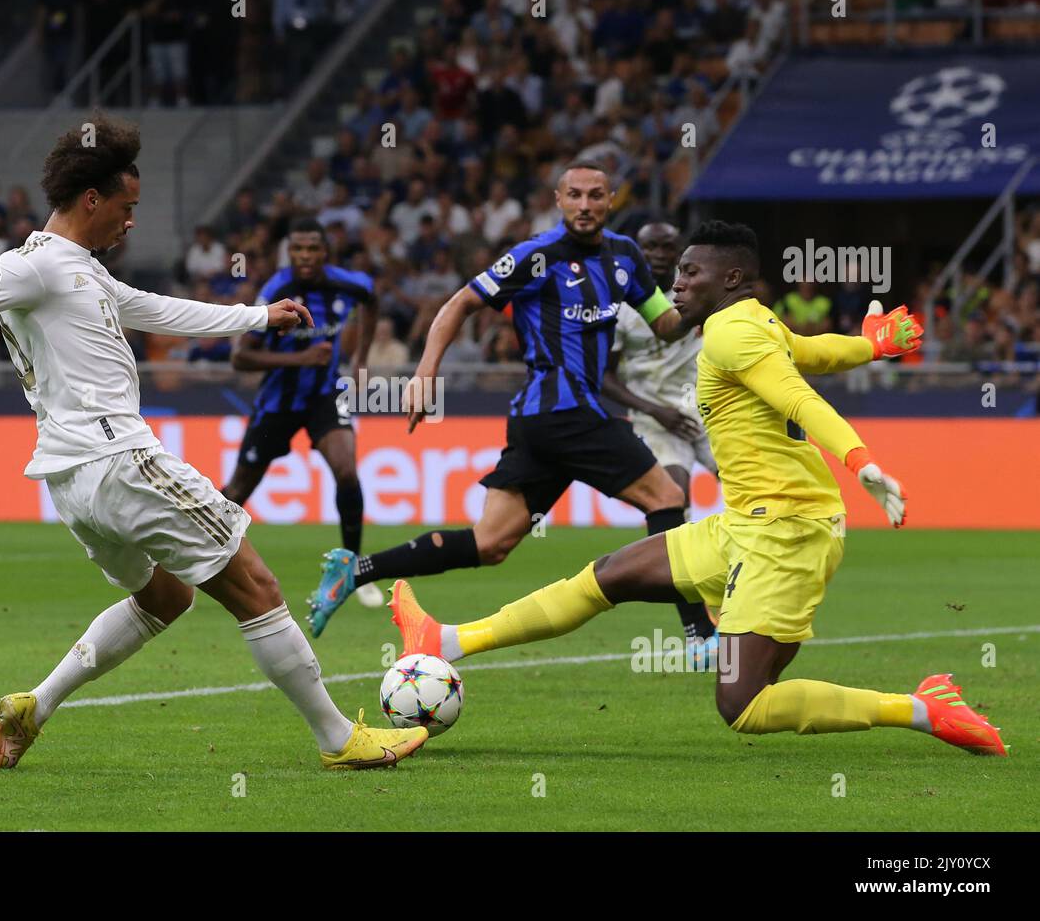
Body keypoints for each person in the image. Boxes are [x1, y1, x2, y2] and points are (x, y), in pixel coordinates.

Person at [0, 116, 427, 773]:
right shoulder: (34, 267)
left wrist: (258, 316)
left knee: (167, 597)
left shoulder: (81, 272)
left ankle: (37, 704)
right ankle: (338, 739)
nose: (131, 221)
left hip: (74, 485)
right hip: (119, 462)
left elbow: (157, 309)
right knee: (256, 583)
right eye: (126, 207)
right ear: (92, 200)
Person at [386, 220, 1005, 758]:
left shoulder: (731, 333)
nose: (675, 283)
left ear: (730, 279)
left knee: (743, 704)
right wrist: (873, 344)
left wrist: (860, 459)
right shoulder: (752, 320)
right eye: (676, 272)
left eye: (689, 272)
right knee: (606, 577)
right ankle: (446, 641)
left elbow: (798, 396)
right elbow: (811, 352)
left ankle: (924, 708)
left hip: (787, 534)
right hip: (747, 525)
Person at [306, 161, 692, 637]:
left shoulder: (625, 256)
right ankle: (699, 636)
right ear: (558, 200)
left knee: (490, 544)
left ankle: (355, 570)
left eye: (596, 195)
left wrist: (705, 302)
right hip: (561, 411)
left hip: (548, 423)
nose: (585, 205)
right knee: (667, 498)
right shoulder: (537, 255)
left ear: (612, 200)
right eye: (575, 195)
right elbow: (459, 304)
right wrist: (425, 372)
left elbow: (666, 325)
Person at [222, 219, 377, 578]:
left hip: (326, 395)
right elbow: (241, 357)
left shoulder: (347, 283)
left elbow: (372, 299)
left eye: (312, 249)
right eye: (297, 249)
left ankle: (352, 570)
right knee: (236, 492)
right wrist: (300, 359)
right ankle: (192, 564)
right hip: (277, 403)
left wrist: (362, 359)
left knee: (348, 473)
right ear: (288, 253)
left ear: (326, 252)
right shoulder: (278, 290)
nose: (305, 256)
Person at [602, 219, 720, 660]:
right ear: (638, 250)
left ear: (679, 251)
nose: (658, 253)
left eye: (667, 246)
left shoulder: (696, 296)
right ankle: (695, 631)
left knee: (756, 491)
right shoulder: (620, 306)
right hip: (655, 420)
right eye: (649, 245)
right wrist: (654, 411)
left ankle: (743, 592)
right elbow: (604, 378)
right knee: (673, 501)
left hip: (706, 412)